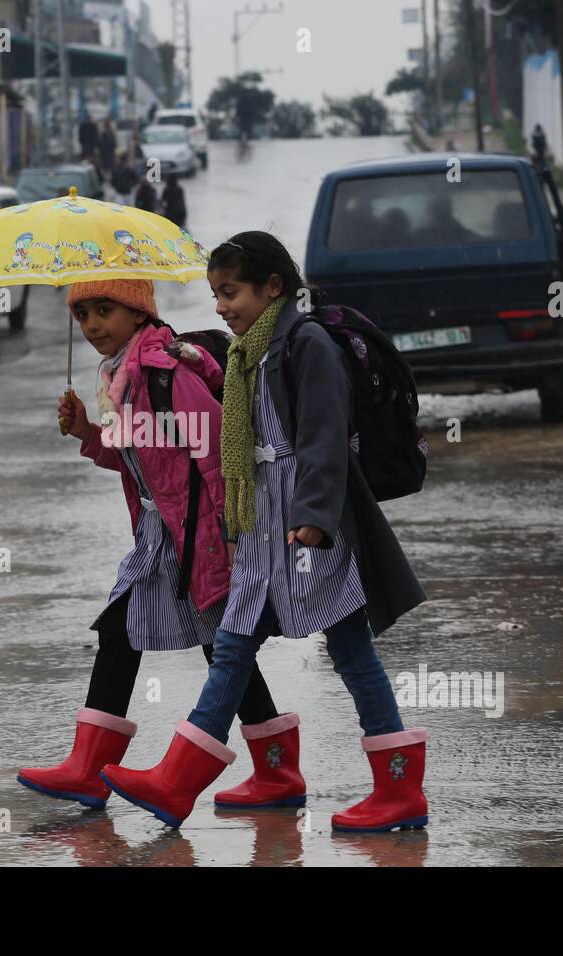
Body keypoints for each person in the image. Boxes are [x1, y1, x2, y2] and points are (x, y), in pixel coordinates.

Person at [99, 232, 428, 832]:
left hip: (307, 529)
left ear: (273, 287)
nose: (220, 307)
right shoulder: (253, 351)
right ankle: (196, 781)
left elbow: (325, 439)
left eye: (231, 293)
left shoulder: (307, 346)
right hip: (262, 526)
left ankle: (396, 791)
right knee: (239, 645)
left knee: (344, 648)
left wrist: (314, 520)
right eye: (215, 295)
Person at [18, 278, 303, 811]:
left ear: (138, 311)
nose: (94, 325)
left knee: (178, 638)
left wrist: (231, 535)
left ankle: (90, 769)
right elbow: (142, 455)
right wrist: (88, 431)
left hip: (197, 533)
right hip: (161, 533)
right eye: (82, 315)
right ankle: (276, 772)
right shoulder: (121, 376)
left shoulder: (164, 373)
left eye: (105, 310)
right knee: (198, 642)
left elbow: (219, 454)